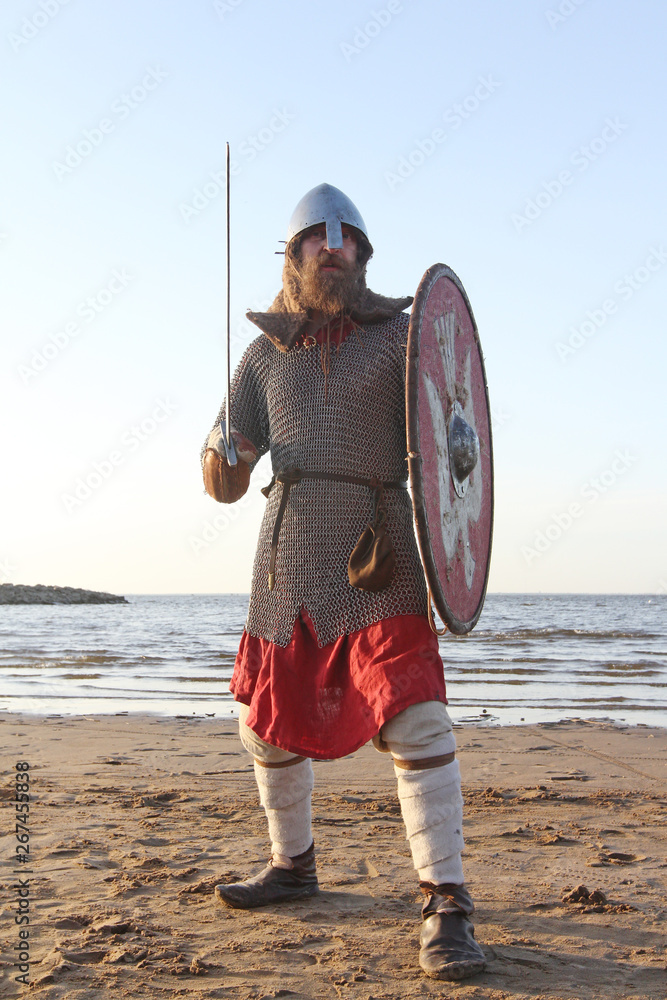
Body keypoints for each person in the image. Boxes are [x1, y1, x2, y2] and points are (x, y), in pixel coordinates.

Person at [202, 183, 486, 982]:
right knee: (263, 724)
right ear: (290, 259)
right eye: (316, 244)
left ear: (363, 257)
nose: (334, 252)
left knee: (417, 719)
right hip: (289, 553)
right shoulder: (261, 359)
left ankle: (446, 902)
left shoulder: (401, 341)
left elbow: (453, 434)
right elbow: (223, 477)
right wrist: (219, 462)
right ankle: (293, 866)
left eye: (348, 243)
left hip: (378, 550)